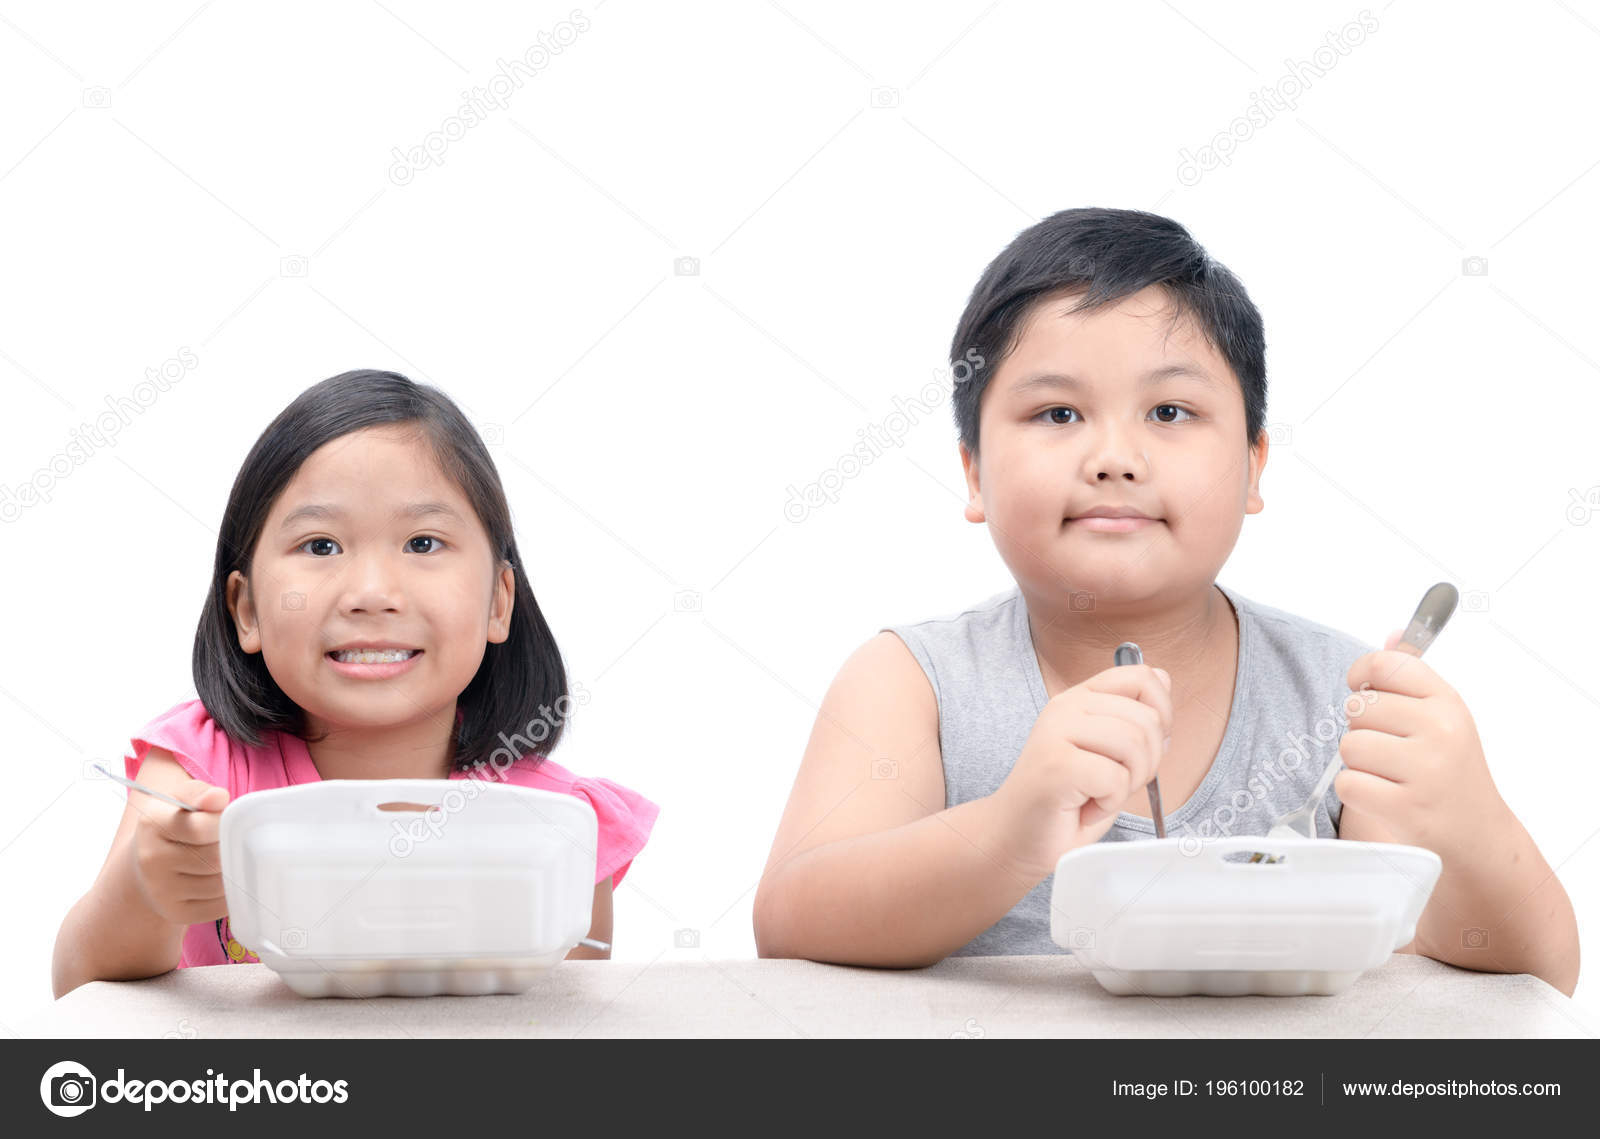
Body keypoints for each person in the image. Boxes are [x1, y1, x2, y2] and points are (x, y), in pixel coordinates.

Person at [754, 208, 1578, 995]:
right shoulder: (914, 682)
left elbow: (1536, 973)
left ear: (1255, 467)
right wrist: (1010, 830)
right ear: (974, 472)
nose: (1115, 455)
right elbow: (793, 920)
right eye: (1058, 411)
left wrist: (1472, 818)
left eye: (1170, 411)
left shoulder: (1339, 699)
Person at [54, 370, 658, 995]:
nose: (372, 594)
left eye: (423, 542)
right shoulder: (196, 772)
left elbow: (567, 1036)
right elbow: (77, 990)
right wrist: (146, 891)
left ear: (499, 603)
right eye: (320, 546)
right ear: (247, 609)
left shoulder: (557, 827)